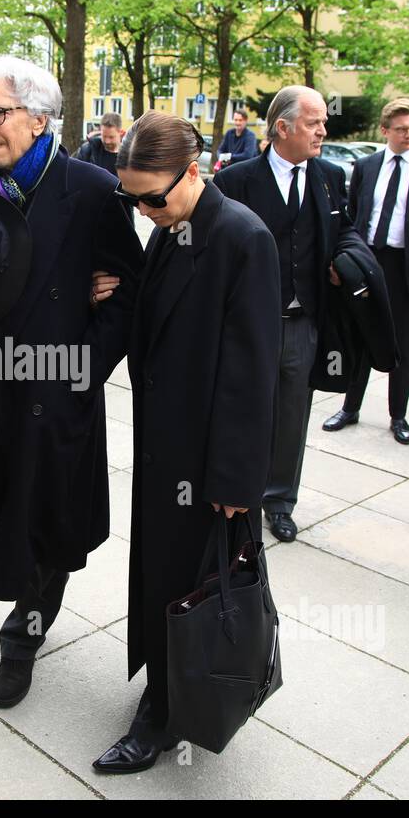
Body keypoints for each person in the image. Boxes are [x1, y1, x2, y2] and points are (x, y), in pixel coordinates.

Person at [0, 55, 142, 710]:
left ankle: (22, 633)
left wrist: (84, 366)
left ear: (39, 118)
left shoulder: (91, 190)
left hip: (54, 390)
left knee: (41, 516)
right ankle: (30, 590)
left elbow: (129, 290)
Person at [91, 111, 280, 773]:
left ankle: (167, 714)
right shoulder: (176, 227)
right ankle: (167, 690)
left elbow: (254, 373)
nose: (142, 211)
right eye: (132, 198)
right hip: (166, 447)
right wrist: (122, 290)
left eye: (152, 196)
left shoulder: (242, 238)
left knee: (186, 583)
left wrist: (235, 481)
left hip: (206, 460)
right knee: (164, 574)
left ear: (193, 173)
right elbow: (168, 308)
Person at [212, 85, 371, 544]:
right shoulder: (235, 181)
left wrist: (348, 262)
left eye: (323, 121)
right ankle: (234, 490)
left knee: (291, 415)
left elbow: (347, 230)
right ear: (282, 128)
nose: (323, 129)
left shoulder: (330, 177)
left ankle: (280, 501)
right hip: (247, 326)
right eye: (313, 122)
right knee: (242, 411)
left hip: (303, 323)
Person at [324, 97, 409, 444]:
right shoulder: (367, 166)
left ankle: (398, 415)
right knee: (359, 336)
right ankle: (350, 408)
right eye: (401, 129)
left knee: (400, 344)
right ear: (385, 131)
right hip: (367, 262)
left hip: (406, 267)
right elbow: (351, 211)